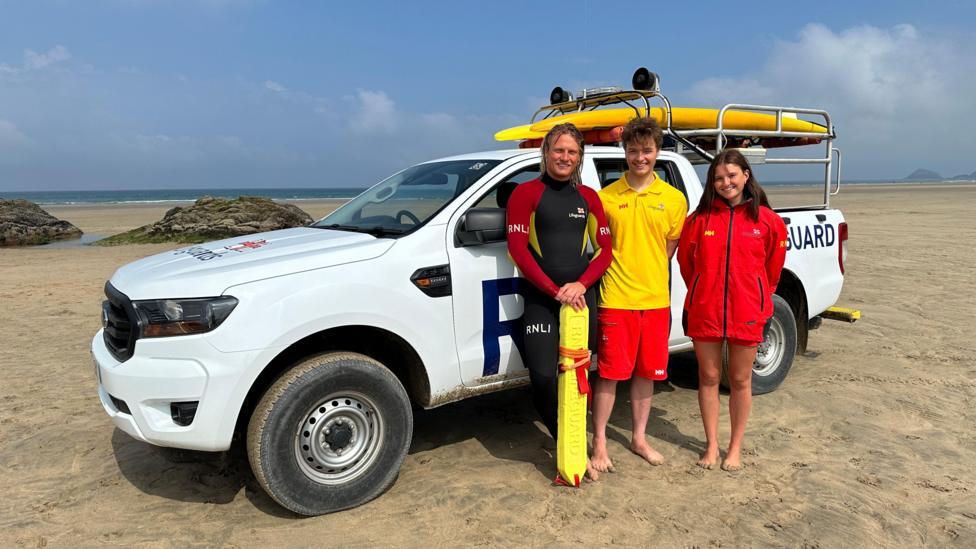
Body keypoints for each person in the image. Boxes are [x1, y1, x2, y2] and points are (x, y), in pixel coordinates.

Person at [505, 123, 612, 475]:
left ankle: (578, 445)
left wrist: (580, 285)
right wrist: (555, 291)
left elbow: (605, 251)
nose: (565, 157)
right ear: (546, 152)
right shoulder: (526, 193)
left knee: (579, 378)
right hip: (542, 297)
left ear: (580, 157)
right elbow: (519, 251)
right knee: (543, 378)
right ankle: (567, 444)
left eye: (572, 152)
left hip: (581, 299)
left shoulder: (589, 198)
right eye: (559, 150)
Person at [677, 149, 788, 471]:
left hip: (748, 311)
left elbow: (772, 270)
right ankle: (711, 446)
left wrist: (755, 296)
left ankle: (734, 447)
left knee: (740, 380)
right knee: (709, 377)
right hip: (705, 309)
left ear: (746, 176)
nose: (726, 183)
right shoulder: (698, 220)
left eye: (732, 176)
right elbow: (687, 265)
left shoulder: (768, 221)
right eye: (718, 178)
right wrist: (703, 288)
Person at [589, 117, 688, 473]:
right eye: (633, 151)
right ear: (624, 152)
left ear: (657, 152)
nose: (640, 157)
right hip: (616, 299)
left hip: (656, 302)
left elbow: (668, 249)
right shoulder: (606, 198)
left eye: (646, 151)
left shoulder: (674, 200)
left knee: (646, 373)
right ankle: (600, 442)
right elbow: (597, 246)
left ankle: (639, 437)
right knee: (610, 373)